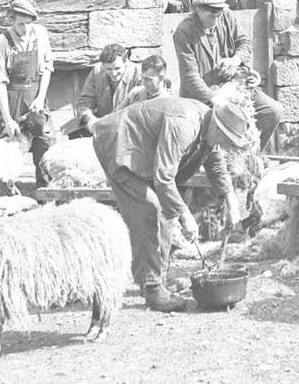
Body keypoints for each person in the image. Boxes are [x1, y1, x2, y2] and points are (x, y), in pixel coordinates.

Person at [92, 94, 249, 312]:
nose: (226, 145)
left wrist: (232, 205)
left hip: (142, 151)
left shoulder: (209, 128)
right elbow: (164, 178)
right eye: (227, 140)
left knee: (165, 209)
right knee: (150, 209)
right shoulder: (184, 124)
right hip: (119, 144)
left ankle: (158, 279)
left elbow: (216, 167)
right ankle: (153, 288)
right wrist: (186, 218)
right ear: (219, 128)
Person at [173, 0, 283, 148]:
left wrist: (235, 60)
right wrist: (216, 100)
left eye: (219, 15)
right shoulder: (184, 31)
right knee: (218, 125)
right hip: (204, 97)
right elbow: (190, 77)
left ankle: (251, 156)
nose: (217, 20)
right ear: (198, 10)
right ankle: (223, 163)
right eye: (211, 16)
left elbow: (244, 43)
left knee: (273, 111)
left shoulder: (226, 15)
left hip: (234, 88)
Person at [0, 0, 53, 184]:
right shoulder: (1, 42)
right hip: (9, 97)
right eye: (21, 24)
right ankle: (0, 194)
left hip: (35, 96)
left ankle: (45, 194)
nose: (26, 28)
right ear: (11, 21)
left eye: (29, 23)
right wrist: (7, 119)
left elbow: (47, 68)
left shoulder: (41, 34)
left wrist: (40, 97)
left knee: (45, 144)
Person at [71, 43, 140, 136]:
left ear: (125, 62)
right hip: (102, 123)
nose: (114, 73)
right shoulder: (97, 71)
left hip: (129, 126)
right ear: (103, 65)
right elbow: (84, 102)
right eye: (109, 69)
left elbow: (140, 110)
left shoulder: (138, 74)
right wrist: (89, 119)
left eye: (117, 68)